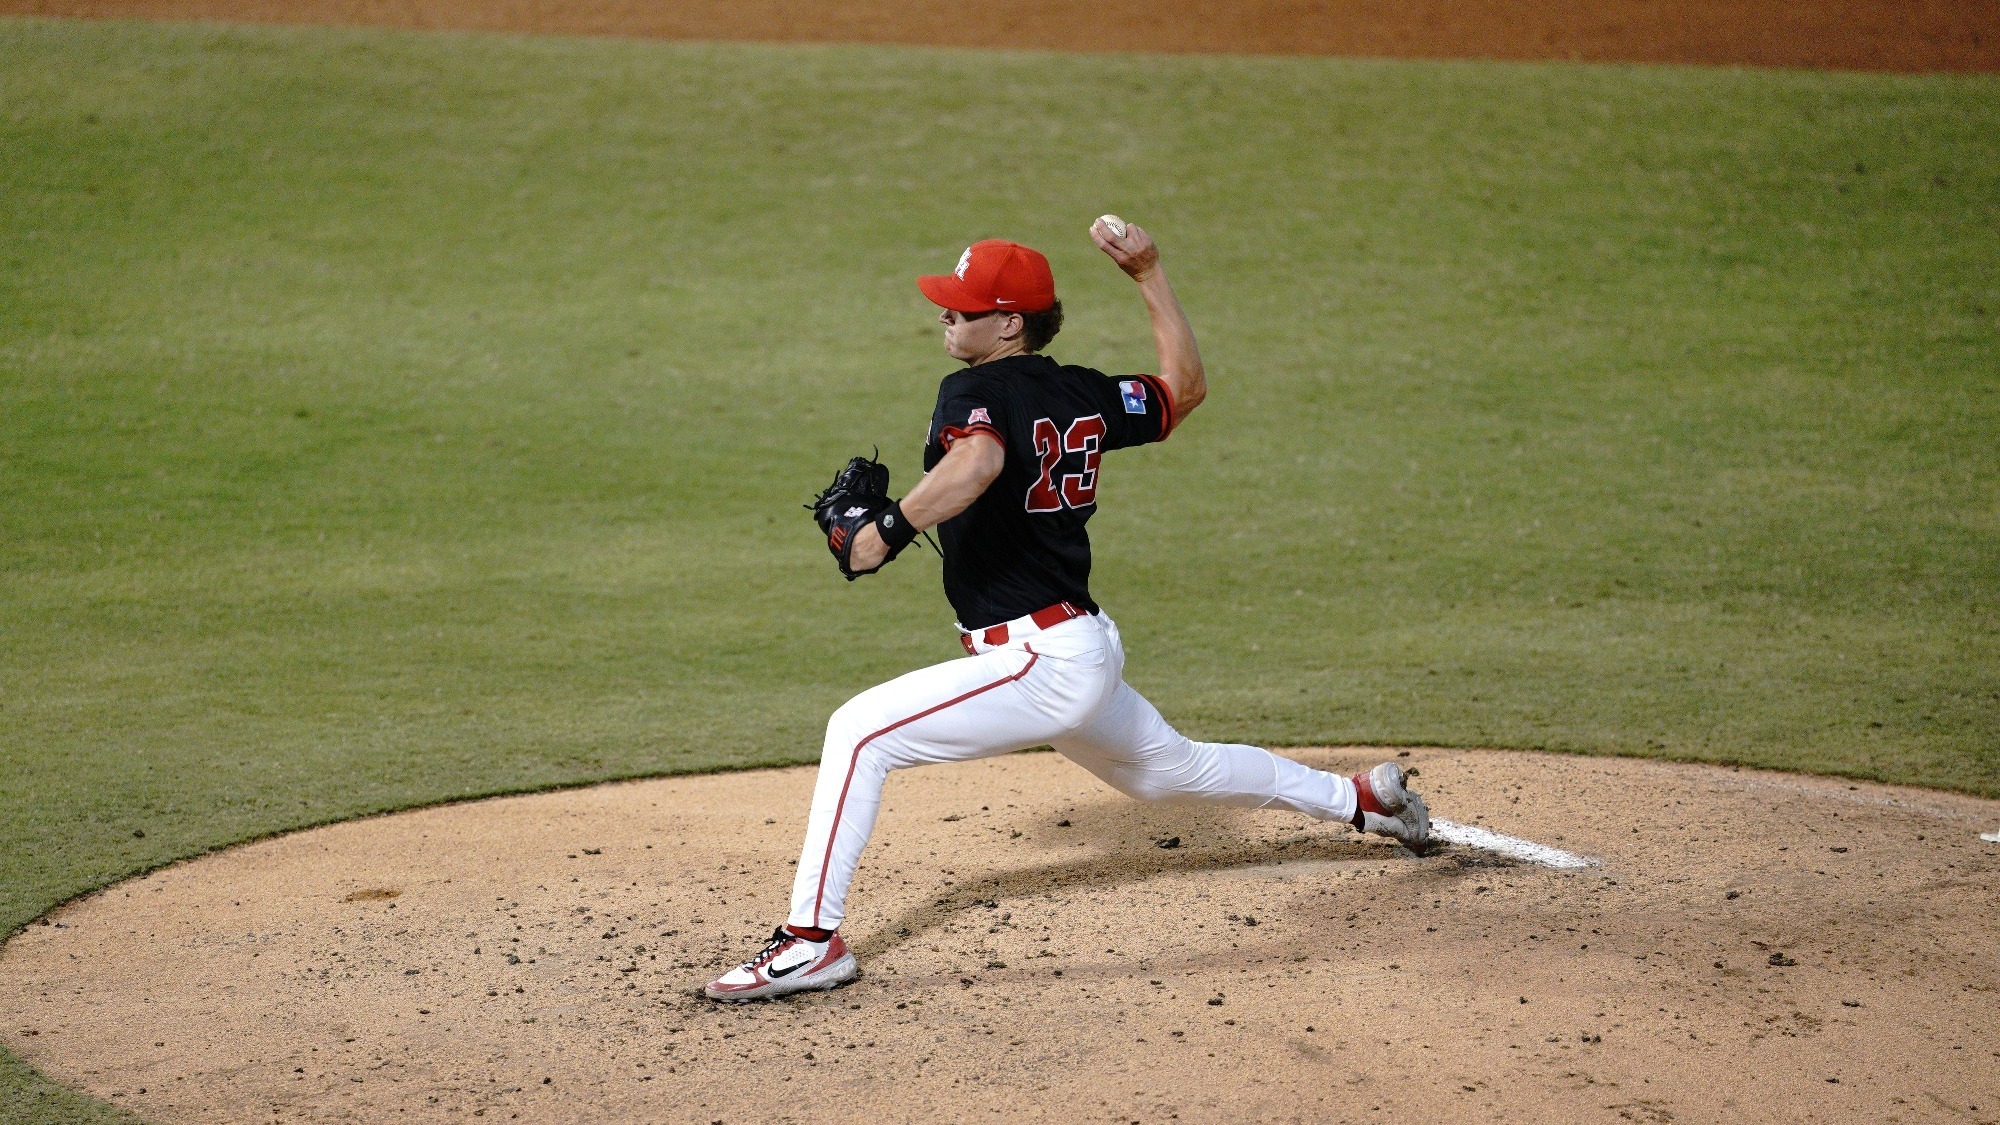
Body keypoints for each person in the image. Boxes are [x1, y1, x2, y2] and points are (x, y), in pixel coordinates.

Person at [704, 219, 1431, 1002]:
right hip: (1078, 648)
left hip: (1039, 662)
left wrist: (886, 529)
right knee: (1171, 770)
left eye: (965, 307)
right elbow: (1182, 391)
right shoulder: (1079, 388)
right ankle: (1358, 799)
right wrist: (1150, 273)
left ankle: (811, 941)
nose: (946, 315)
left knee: (858, 732)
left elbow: (978, 458)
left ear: (1010, 322)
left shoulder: (974, 391)